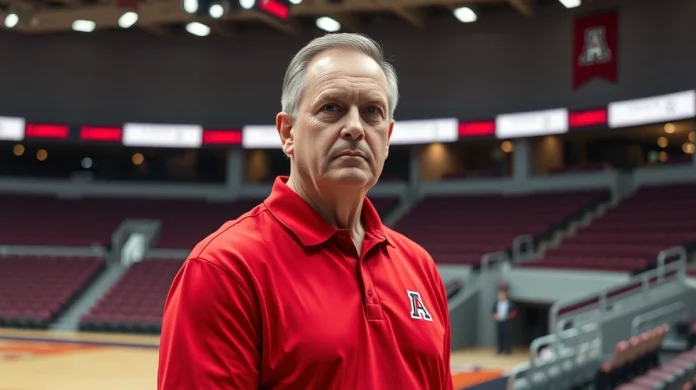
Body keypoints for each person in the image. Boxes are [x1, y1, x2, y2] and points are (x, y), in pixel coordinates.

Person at [157, 33, 454, 390]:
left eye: (372, 112)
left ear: (387, 137)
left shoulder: (419, 267)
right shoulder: (224, 269)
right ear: (287, 132)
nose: (355, 128)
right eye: (332, 108)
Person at [491, 288, 516, 355]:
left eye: (501, 295)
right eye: (499, 295)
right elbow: (493, 311)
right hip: (499, 321)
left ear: (505, 296)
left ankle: (507, 350)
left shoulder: (510, 304)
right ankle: (500, 349)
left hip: (507, 322)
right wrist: (495, 316)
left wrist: (508, 317)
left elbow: (513, 312)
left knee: (507, 335)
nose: (500, 296)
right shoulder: (496, 303)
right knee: (500, 335)